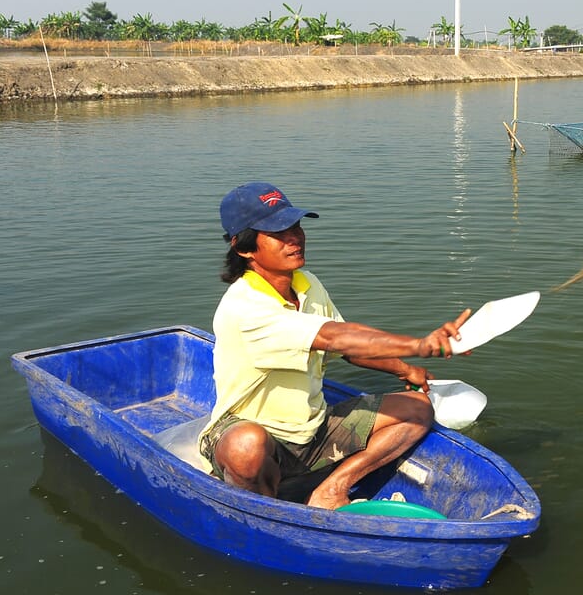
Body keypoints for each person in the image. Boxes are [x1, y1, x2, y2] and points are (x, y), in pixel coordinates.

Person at [199, 181, 470, 510]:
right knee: (246, 446)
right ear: (243, 247)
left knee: (418, 409)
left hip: (313, 429)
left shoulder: (307, 283)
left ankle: (331, 489)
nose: (295, 237)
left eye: (295, 226)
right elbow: (332, 336)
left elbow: (349, 348)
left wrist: (406, 368)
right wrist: (422, 344)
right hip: (255, 435)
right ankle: (265, 511)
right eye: (278, 232)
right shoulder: (245, 308)